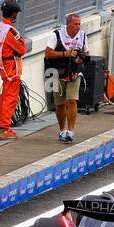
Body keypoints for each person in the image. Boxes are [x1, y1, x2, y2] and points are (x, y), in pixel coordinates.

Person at [45, 13, 87, 143]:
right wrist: (65, 54)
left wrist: (81, 58)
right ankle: (62, 129)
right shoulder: (56, 35)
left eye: (79, 24)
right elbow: (48, 53)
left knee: (72, 100)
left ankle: (71, 131)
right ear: (68, 24)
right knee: (60, 104)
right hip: (58, 73)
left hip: (75, 73)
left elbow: (87, 54)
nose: (78, 27)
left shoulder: (83, 36)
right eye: (75, 24)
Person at [0, 0, 28, 138]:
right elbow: (22, 48)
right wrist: (21, 41)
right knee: (10, 98)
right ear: (13, 13)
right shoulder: (10, 30)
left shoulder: (1, 26)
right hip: (11, 68)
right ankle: (5, 127)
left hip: (4, 66)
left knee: (5, 97)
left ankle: (3, 125)